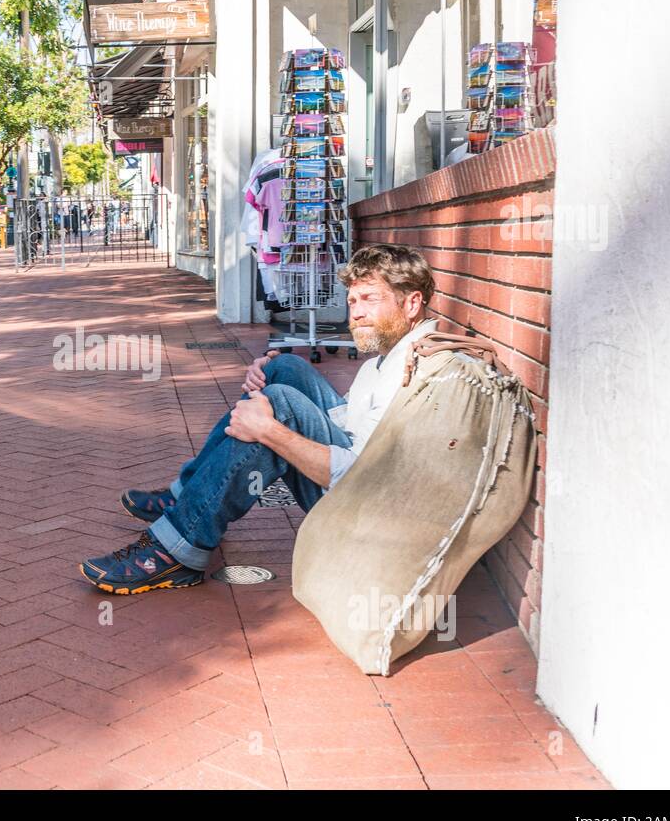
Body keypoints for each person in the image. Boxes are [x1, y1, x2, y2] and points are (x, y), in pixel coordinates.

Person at [80, 243, 441, 595]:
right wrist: (274, 382)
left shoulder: (416, 373)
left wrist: (271, 429)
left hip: (362, 512)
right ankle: (186, 496)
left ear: (411, 303)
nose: (357, 313)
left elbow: (357, 474)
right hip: (357, 481)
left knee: (278, 404)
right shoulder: (398, 353)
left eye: (370, 299)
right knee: (284, 368)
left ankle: (175, 551)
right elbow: (354, 420)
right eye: (352, 301)